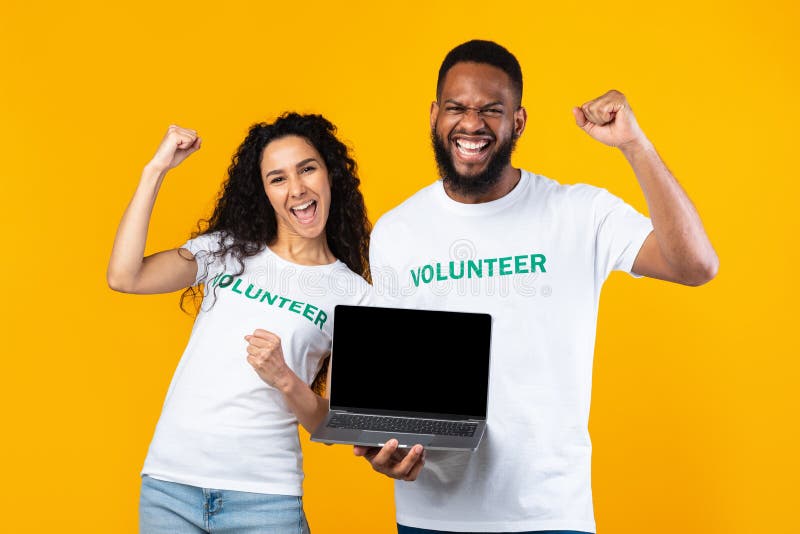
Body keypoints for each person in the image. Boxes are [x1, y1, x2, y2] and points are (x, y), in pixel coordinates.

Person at [354, 39, 718, 533]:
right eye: (457, 108)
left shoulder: (579, 212)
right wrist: (383, 449)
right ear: (435, 114)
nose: (471, 124)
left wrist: (635, 143)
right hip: (431, 514)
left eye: (491, 110)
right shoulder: (397, 231)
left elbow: (696, 264)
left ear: (518, 121)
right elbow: (395, 384)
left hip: (550, 513)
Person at [107, 112, 372, 533]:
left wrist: (285, 378)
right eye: (278, 178)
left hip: (264, 499)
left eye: (307, 169)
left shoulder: (355, 294)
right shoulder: (226, 251)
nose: (297, 189)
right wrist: (154, 170)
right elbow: (125, 276)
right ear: (264, 191)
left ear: (330, 175)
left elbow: (332, 424)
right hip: (169, 487)